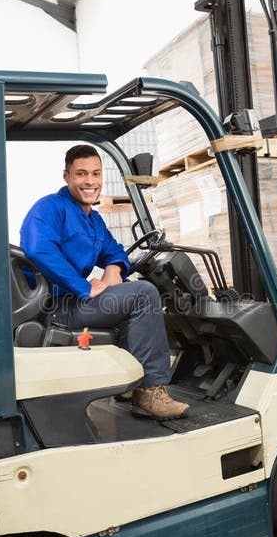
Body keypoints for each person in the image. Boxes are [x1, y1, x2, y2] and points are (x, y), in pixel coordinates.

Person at [20, 144, 189, 420]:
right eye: (81, 174)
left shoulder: (93, 219)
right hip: (55, 308)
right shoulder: (50, 208)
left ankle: (128, 383)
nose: (90, 181)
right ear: (66, 177)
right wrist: (85, 286)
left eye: (96, 174)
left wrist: (114, 269)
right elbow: (40, 249)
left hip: (72, 302)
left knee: (130, 296)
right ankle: (149, 392)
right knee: (144, 294)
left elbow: (115, 251)